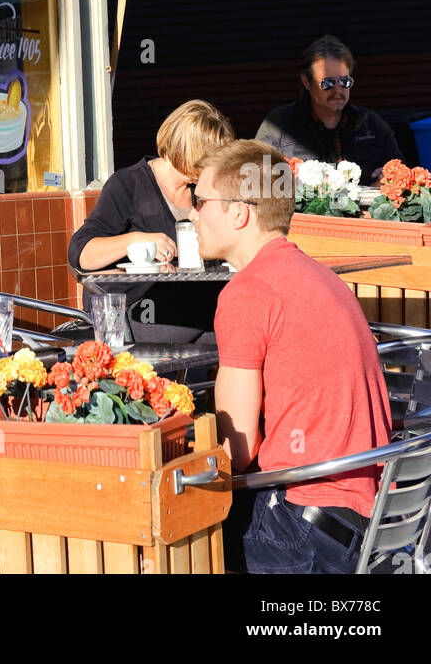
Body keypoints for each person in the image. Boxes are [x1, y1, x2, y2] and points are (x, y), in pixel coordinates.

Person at [191, 138, 391, 574]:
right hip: (364, 524)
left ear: (239, 212)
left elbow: (236, 448)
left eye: (201, 200)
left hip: (301, 528)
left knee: (176, 538)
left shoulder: (248, 292)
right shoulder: (321, 276)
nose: (192, 214)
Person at [68, 99, 234, 342]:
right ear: (187, 150)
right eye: (209, 159)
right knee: (225, 316)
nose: (215, 167)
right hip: (132, 313)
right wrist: (135, 241)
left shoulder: (204, 190)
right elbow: (81, 253)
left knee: (234, 316)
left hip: (189, 303)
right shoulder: (129, 184)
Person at [256, 34, 402, 184]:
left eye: (345, 81)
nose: (338, 90)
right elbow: (256, 180)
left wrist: (387, 182)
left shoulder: (372, 124)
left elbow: (400, 174)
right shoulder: (278, 125)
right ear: (307, 82)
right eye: (328, 83)